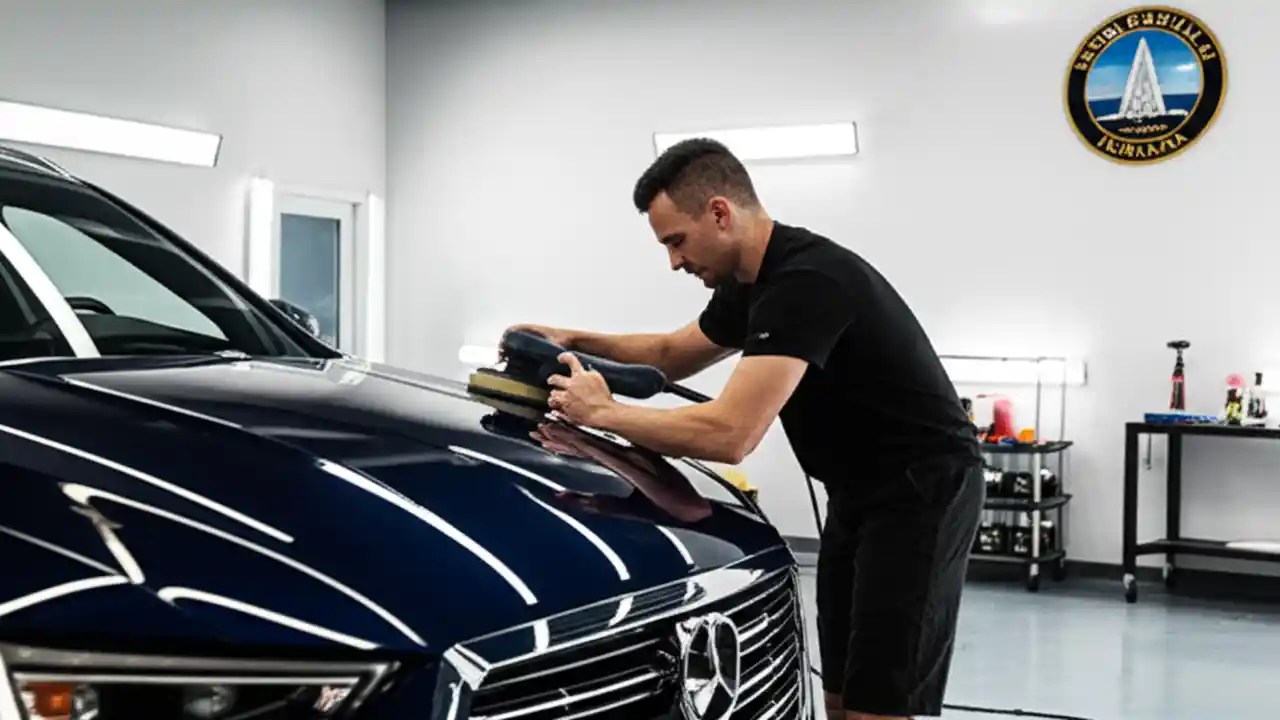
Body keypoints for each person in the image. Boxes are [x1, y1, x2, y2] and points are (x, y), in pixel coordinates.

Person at [507, 138, 984, 720]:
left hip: (921, 491)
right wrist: (574, 340)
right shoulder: (747, 283)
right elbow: (668, 354)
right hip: (857, 493)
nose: (675, 262)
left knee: (882, 701)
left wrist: (600, 414)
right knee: (839, 689)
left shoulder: (809, 282)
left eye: (676, 242)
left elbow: (729, 433)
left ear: (719, 213)